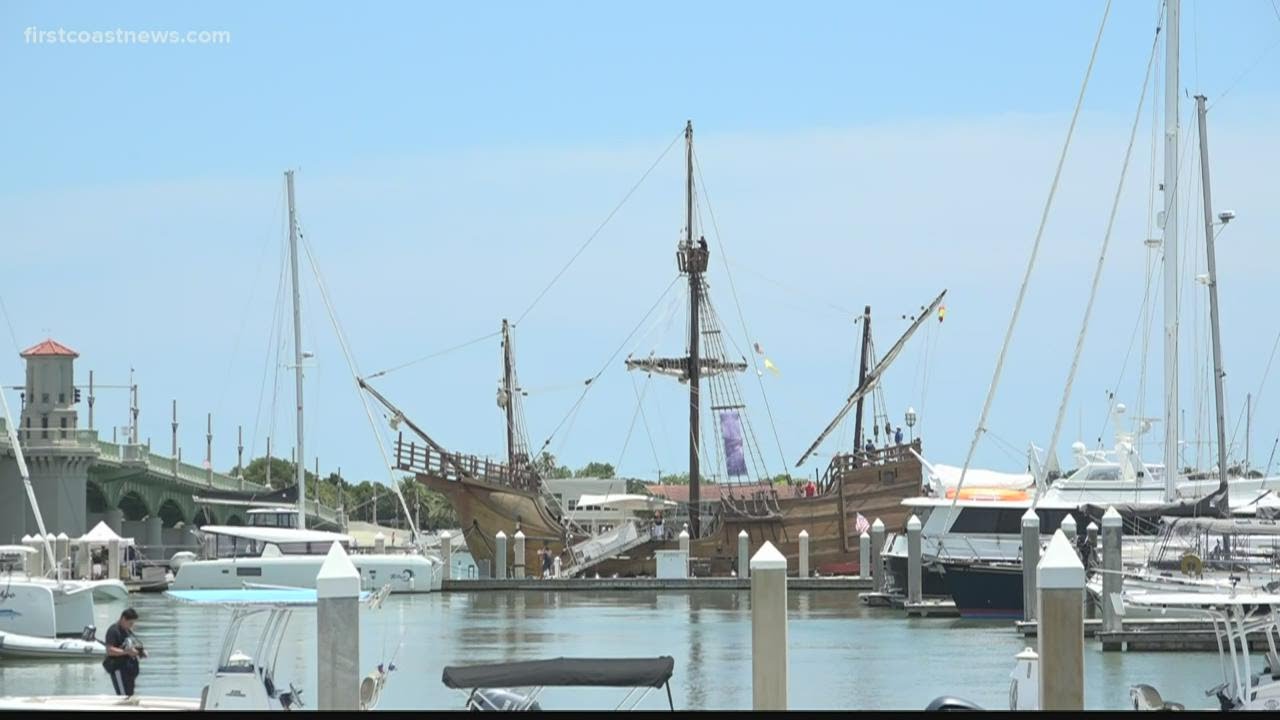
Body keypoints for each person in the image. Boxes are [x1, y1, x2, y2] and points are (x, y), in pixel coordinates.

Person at [103, 608, 146, 696]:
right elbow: (109, 650)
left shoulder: (127, 631)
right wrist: (127, 652)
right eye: (130, 623)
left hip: (129, 672)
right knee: (123, 697)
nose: (132, 625)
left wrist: (141, 652)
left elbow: (130, 646)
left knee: (130, 696)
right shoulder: (113, 631)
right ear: (123, 619)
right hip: (119, 670)